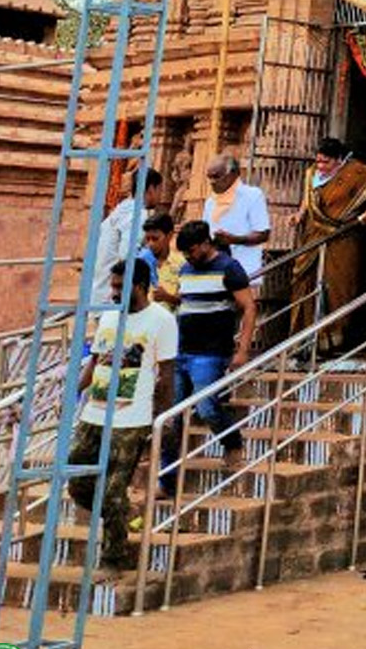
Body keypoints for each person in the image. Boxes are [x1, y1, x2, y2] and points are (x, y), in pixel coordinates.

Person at [68, 257, 177, 568]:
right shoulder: (109, 317)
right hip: (93, 414)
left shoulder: (162, 320)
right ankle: (120, 517)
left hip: (131, 419)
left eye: (119, 287)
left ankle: (114, 557)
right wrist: (75, 391)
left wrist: (161, 418)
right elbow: (96, 360)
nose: (114, 293)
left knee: (115, 490)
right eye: (113, 286)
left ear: (140, 286)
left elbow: (166, 374)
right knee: (77, 482)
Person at [162, 220, 256, 491]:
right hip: (181, 351)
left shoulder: (229, 268)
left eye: (192, 250)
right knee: (171, 419)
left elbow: (249, 307)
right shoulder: (186, 270)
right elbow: (186, 304)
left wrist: (243, 350)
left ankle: (232, 441)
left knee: (206, 407)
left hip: (211, 352)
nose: (190, 256)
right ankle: (166, 480)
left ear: (205, 243)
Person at [289, 138, 366, 357]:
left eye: (326, 162)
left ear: (339, 161)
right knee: (304, 282)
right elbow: (309, 197)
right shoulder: (312, 173)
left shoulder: (355, 171)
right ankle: (305, 342)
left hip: (342, 237)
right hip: (313, 235)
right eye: (318, 161)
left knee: (337, 288)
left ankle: (331, 342)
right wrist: (300, 214)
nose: (320, 167)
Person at [89, 170, 169, 307]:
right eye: (160, 190)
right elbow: (127, 256)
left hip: (100, 291)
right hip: (114, 297)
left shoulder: (121, 210)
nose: (160, 196)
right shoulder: (138, 214)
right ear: (151, 189)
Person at [202, 154, 270, 287]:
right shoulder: (210, 202)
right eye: (209, 177)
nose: (212, 182)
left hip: (245, 272)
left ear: (232, 174)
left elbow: (263, 234)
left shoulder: (253, 195)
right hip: (215, 272)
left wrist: (234, 239)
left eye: (216, 176)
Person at [140, 212, 185, 307]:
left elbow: (188, 301)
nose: (150, 244)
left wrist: (167, 297)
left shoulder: (182, 264)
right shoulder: (140, 263)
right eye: (148, 239)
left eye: (155, 239)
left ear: (169, 236)